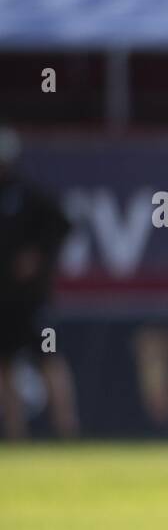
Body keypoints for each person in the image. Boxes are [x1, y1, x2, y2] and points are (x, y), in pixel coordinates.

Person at [0, 126, 79, 439]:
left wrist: (38, 257)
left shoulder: (28, 197)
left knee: (49, 358)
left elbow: (63, 225)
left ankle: (66, 429)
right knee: (4, 365)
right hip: (1, 299)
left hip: (31, 299)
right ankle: (15, 431)